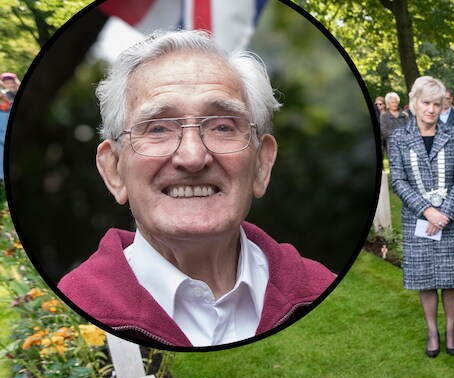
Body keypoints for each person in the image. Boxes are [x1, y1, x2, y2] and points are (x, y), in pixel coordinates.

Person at [57, 30, 334, 348]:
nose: (192, 157)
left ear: (261, 164)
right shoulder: (68, 319)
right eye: (158, 128)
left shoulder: (319, 290)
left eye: (222, 127)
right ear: (115, 170)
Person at [389, 76, 454, 358]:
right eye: (426, 103)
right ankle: (432, 332)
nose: (431, 109)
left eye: (437, 104)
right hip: (418, 220)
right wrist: (428, 211)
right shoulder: (399, 137)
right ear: (413, 103)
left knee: (450, 279)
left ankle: (450, 330)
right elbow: (398, 180)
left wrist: (445, 212)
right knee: (425, 279)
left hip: (451, 220)